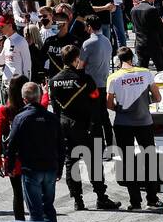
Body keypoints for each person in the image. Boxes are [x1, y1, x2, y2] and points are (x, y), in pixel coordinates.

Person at [51, 44, 120, 211]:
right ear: (76, 60)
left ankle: (77, 200)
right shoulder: (86, 80)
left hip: (65, 125)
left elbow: (55, 108)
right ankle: (101, 197)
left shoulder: (54, 82)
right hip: (87, 125)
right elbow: (96, 104)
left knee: (71, 162)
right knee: (94, 162)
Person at [106, 48, 162, 211]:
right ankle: (152, 198)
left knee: (128, 163)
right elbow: (158, 97)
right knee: (150, 160)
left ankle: (135, 202)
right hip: (144, 122)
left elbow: (109, 104)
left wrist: (121, 109)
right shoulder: (145, 73)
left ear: (118, 61)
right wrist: (144, 104)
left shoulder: (113, 77)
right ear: (133, 58)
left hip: (123, 124)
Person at [3, 81, 64, 222]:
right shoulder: (52, 118)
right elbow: (61, 145)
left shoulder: (21, 118)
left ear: (24, 99)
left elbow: (11, 144)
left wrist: (10, 166)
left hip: (31, 169)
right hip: (50, 167)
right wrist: (59, 168)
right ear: (39, 97)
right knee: (48, 207)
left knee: (35, 211)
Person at [0, 74, 28, 221]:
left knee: (17, 193)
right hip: (29, 154)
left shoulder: (5, 109)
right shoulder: (30, 108)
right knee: (32, 192)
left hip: (12, 156)